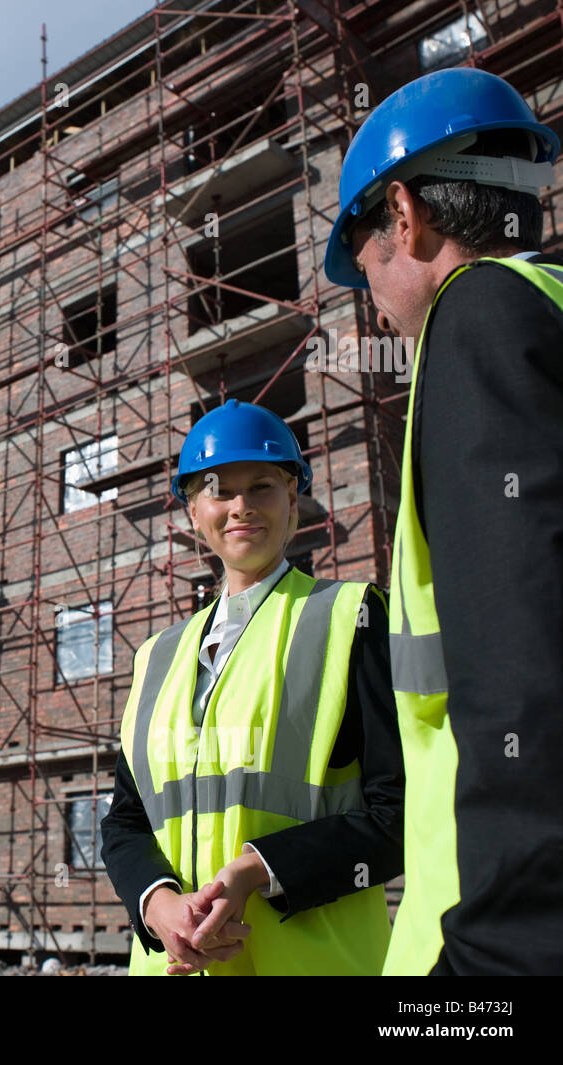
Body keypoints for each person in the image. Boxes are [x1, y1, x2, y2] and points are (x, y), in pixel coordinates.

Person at [324, 66, 563, 976]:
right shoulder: (547, 308)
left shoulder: (478, 319)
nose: (372, 294)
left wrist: (502, 950)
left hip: (494, 932)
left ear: (405, 213)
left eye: (366, 261)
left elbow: (520, 659)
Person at [100, 400, 404, 975]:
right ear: (194, 512)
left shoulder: (350, 619)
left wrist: (256, 871)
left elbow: (400, 812)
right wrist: (158, 903)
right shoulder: (156, 657)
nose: (241, 507)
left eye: (262, 486)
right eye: (219, 490)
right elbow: (126, 819)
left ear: (293, 502)